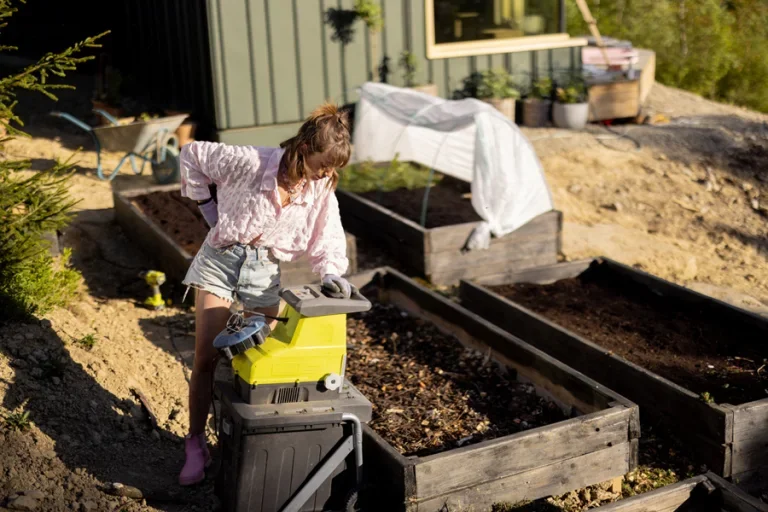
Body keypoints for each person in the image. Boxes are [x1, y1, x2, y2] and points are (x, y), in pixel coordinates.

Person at [176, 103, 353, 486]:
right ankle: (194, 443)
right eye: (324, 163)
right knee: (206, 356)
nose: (327, 173)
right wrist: (210, 210)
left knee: (259, 363)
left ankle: (237, 436)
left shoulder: (321, 186)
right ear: (304, 148)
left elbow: (327, 232)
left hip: (263, 273)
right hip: (219, 262)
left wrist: (332, 271)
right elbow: (192, 154)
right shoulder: (252, 162)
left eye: (333, 168)